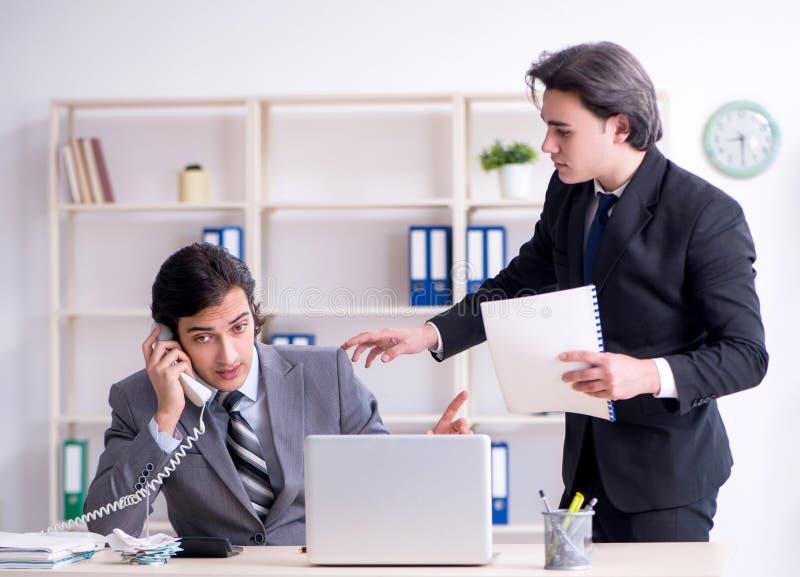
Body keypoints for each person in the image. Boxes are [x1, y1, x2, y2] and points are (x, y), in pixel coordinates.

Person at [343, 41, 768, 543]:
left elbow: (746, 355)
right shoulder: (567, 191)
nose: (547, 145)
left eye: (562, 130)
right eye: (547, 126)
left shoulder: (706, 214)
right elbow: (520, 282)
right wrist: (430, 334)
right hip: (584, 469)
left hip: (666, 478)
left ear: (621, 126)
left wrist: (645, 375)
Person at [84, 242, 470, 546]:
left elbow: (381, 487)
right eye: (203, 337)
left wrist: (429, 459)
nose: (229, 355)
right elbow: (106, 528)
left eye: (238, 328)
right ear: (169, 339)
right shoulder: (139, 399)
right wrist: (166, 418)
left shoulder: (327, 374)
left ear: (254, 315)